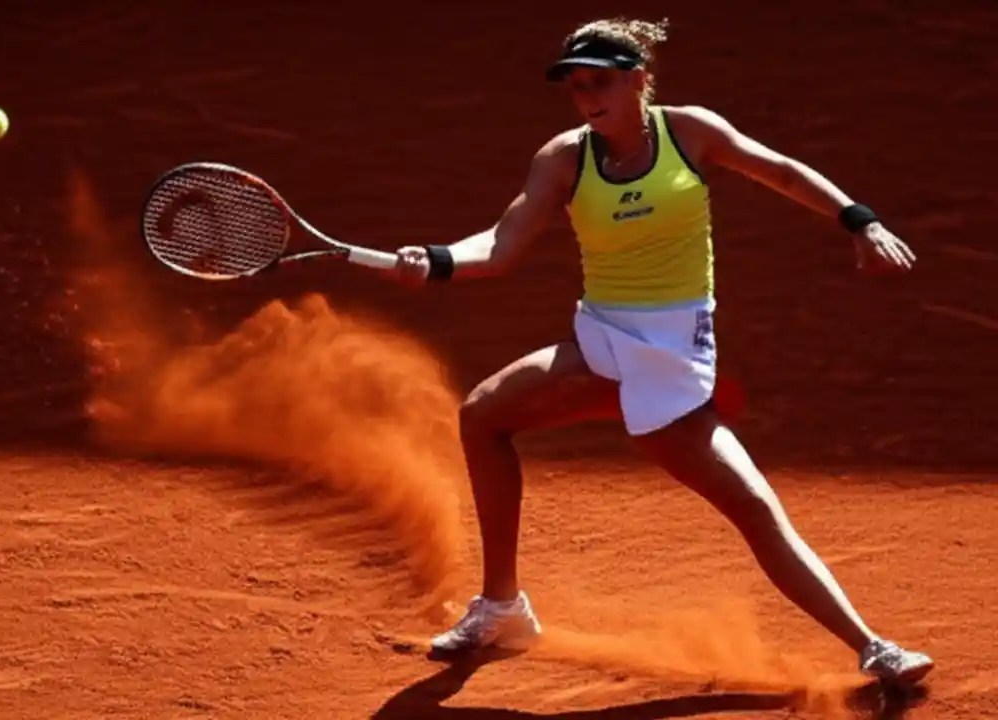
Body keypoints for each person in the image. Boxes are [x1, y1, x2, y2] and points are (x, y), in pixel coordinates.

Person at [384, 16, 933, 686]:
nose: (587, 97)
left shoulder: (690, 132)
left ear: (639, 79)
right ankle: (502, 607)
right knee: (483, 414)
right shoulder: (564, 158)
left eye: (601, 82)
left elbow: (782, 173)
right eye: (576, 86)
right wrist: (438, 260)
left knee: (754, 510)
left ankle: (873, 646)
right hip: (600, 343)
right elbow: (501, 246)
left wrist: (860, 222)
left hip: (672, 358)